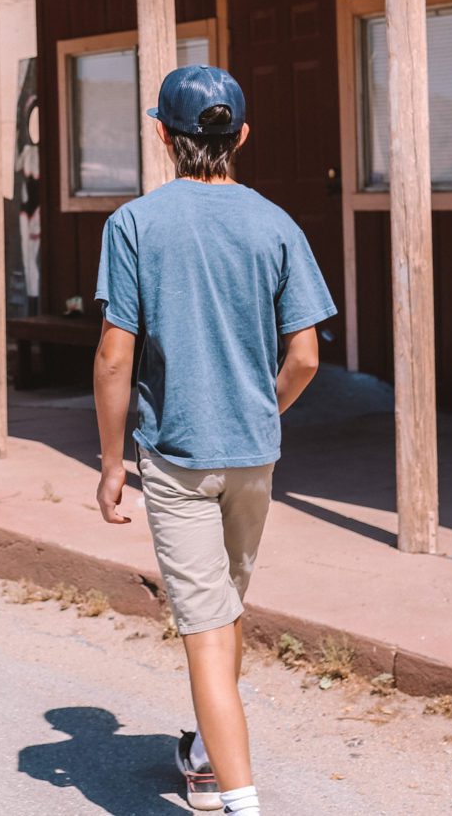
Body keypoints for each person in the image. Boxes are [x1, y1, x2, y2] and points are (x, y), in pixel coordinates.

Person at [93, 65, 334, 814]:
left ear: (162, 135)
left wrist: (109, 464)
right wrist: (264, 409)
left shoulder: (134, 223)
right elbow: (306, 355)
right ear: (243, 137)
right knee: (224, 610)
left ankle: (236, 797)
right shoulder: (276, 223)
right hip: (254, 452)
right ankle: (202, 754)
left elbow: (113, 355)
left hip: (176, 454)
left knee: (204, 628)